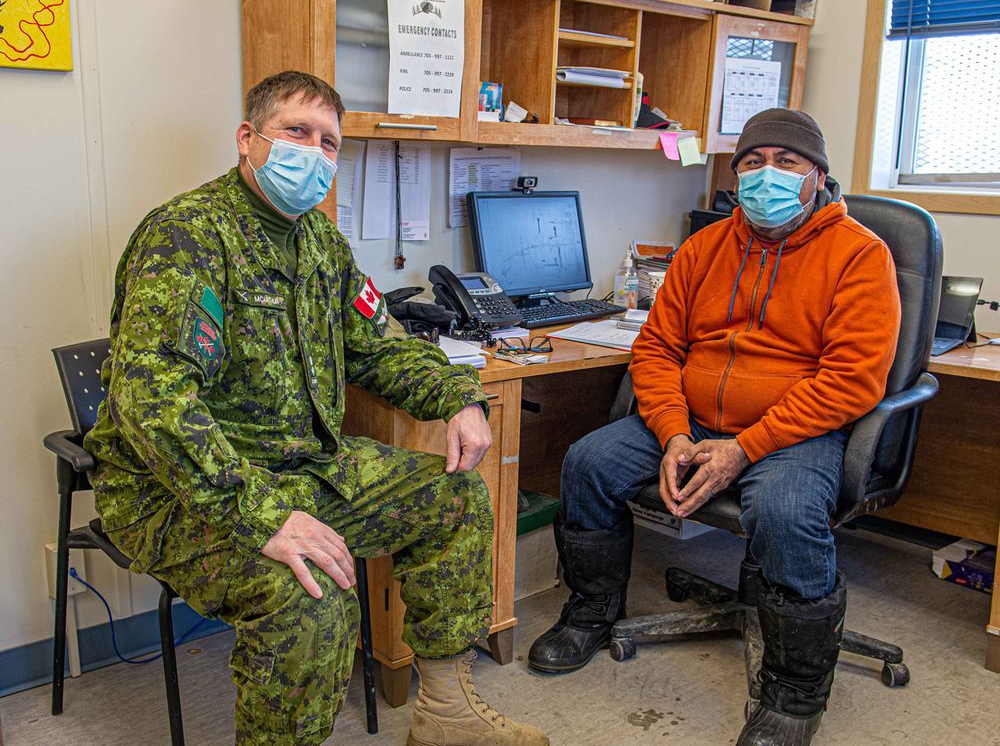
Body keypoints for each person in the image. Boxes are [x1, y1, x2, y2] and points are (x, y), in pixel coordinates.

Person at [85, 70, 548, 746]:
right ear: (249, 138)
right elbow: (153, 397)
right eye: (296, 131)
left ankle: (445, 712)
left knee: (456, 499)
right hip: (178, 494)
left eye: (329, 142)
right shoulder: (187, 235)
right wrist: (264, 514)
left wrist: (459, 396)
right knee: (315, 599)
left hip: (300, 467)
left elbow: (377, 347)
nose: (314, 152)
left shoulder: (319, 243)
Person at [528, 109, 901, 746]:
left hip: (792, 433)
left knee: (784, 512)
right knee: (588, 464)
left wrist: (743, 449)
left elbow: (852, 382)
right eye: (753, 163)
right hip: (693, 419)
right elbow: (655, 350)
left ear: (818, 176)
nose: (767, 176)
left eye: (787, 163)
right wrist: (674, 432)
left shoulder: (861, 256)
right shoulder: (705, 249)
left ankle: (793, 693)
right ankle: (592, 611)